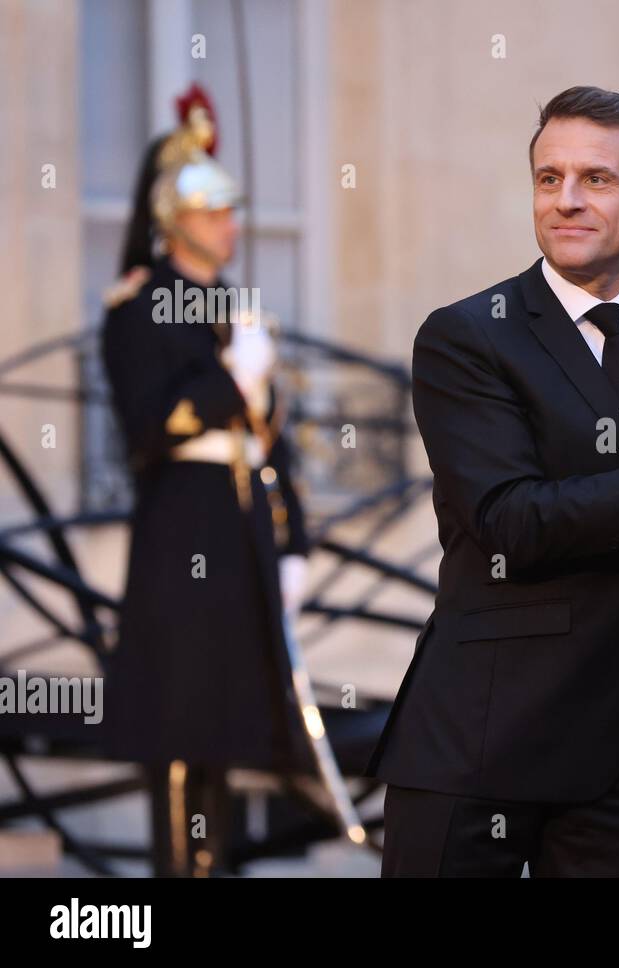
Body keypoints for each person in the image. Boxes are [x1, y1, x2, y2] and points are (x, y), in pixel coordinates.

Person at [367, 86, 619, 876]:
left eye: (596, 180)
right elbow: (510, 520)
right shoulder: (470, 335)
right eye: (549, 179)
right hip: (484, 746)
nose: (565, 201)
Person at [100, 90, 312, 876]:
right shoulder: (138, 307)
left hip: (242, 533)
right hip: (183, 532)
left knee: (227, 725)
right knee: (181, 724)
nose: (231, 225)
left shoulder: (232, 307)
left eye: (230, 210)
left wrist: (296, 544)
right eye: (214, 210)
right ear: (175, 217)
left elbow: (270, 441)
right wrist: (231, 381)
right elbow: (150, 427)